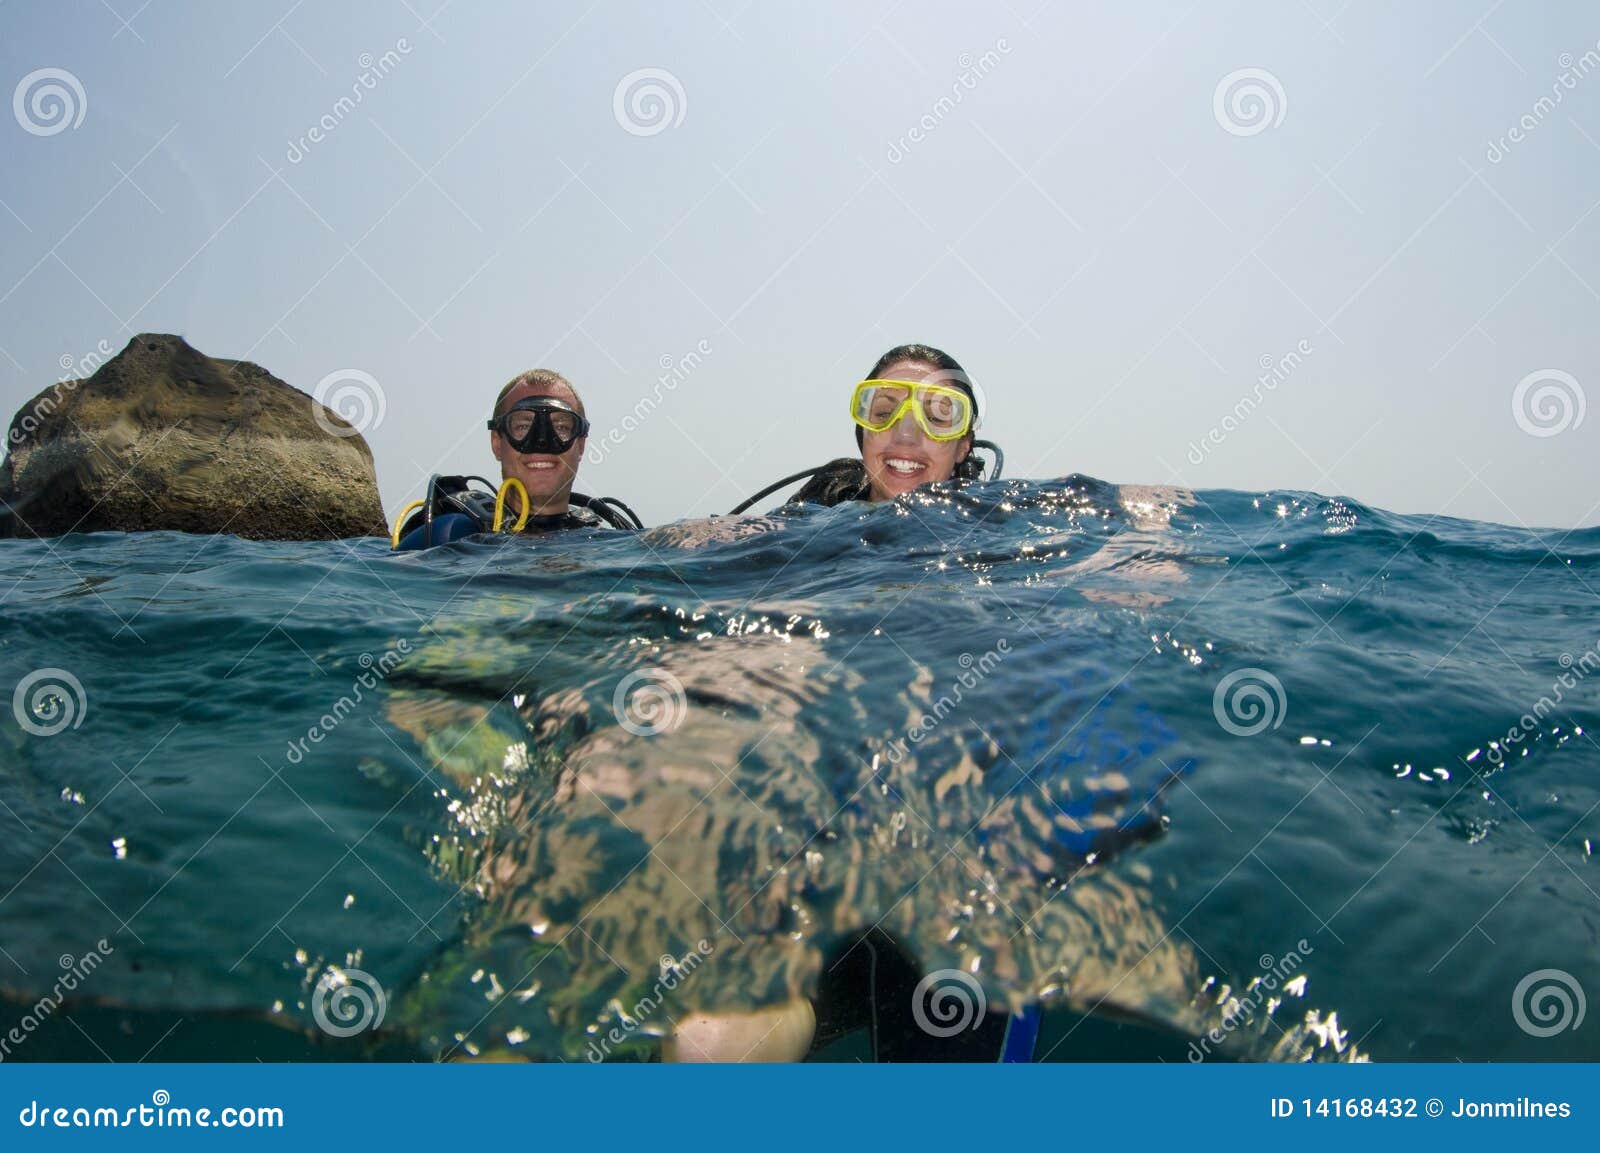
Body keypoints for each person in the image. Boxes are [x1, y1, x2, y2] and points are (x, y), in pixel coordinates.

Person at [730, 343, 999, 513]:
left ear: (963, 446)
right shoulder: (825, 501)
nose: (906, 436)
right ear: (863, 433)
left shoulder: (987, 525)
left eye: (936, 418)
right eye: (884, 413)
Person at [391, 368, 640, 549]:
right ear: (497, 443)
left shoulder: (606, 543)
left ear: (581, 444)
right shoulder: (451, 536)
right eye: (522, 426)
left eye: (561, 427)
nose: (542, 442)